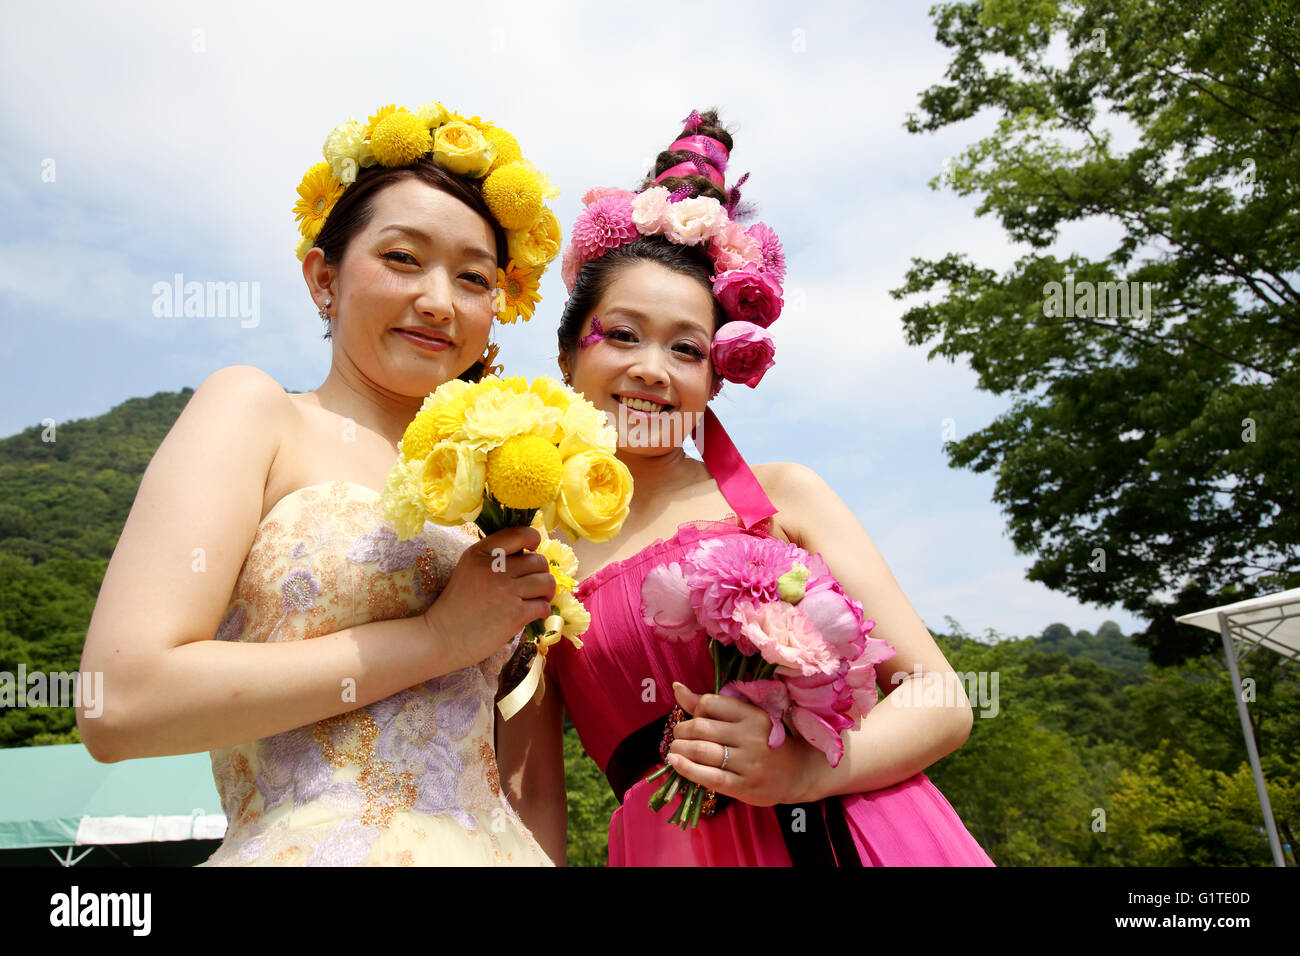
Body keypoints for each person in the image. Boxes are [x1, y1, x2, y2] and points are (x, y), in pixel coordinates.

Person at [498, 109, 996, 866]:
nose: (652, 370)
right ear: (568, 354)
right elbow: (532, 794)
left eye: (687, 348)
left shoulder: (784, 498)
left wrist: (804, 770)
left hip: (873, 832)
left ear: (715, 376)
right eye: (622, 335)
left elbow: (941, 698)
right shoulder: (534, 555)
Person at [77, 102, 565, 866]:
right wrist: (436, 639)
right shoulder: (256, 413)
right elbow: (122, 702)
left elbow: (520, 766)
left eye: (473, 277)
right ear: (322, 276)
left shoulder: (496, 496)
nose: (439, 299)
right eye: (403, 258)